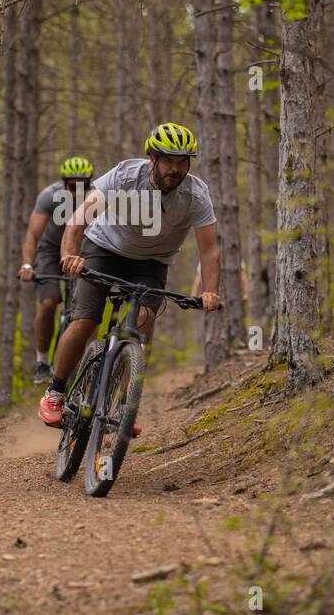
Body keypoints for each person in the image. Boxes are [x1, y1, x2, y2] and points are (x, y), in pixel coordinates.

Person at [38, 122, 222, 430]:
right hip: (104, 248)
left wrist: (210, 291)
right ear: (153, 159)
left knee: (143, 322)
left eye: (182, 162)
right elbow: (79, 218)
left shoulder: (196, 195)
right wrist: (69, 255)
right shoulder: (125, 176)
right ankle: (55, 390)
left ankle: (124, 405)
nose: (175, 169)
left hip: (151, 262)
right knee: (85, 320)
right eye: (169, 161)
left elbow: (210, 250)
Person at [19, 156, 95, 383]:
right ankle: (42, 361)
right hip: (51, 250)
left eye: (83, 185)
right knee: (49, 301)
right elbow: (33, 235)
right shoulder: (49, 196)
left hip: (84, 251)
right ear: (63, 184)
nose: (77, 190)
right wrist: (27, 264)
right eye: (72, 185)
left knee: (89, 309)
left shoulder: (98, 195)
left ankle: (88, 363)